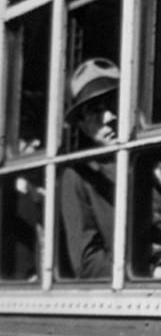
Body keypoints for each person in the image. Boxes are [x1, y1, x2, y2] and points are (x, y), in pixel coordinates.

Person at [57, 58, 119, 280]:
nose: (110, 117)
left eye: (114, 102)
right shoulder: (80, 177)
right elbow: (88, 264)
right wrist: (150, 273)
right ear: (82, 125)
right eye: (95, 110)